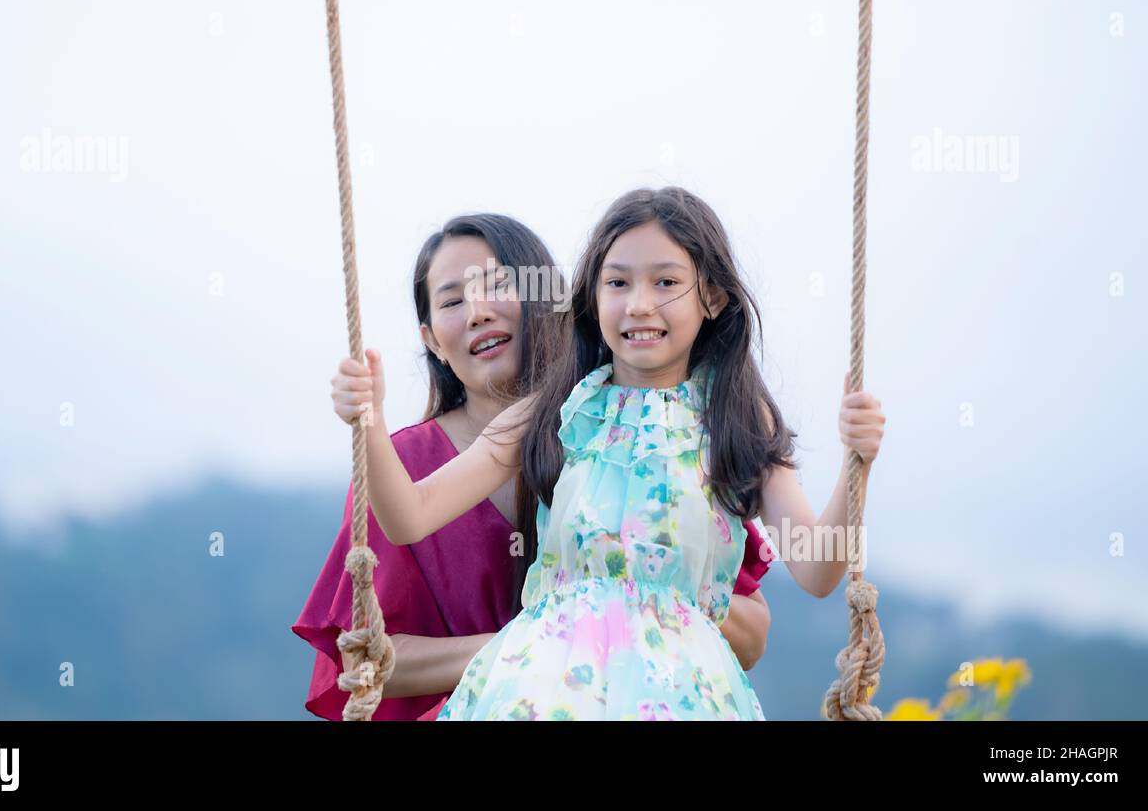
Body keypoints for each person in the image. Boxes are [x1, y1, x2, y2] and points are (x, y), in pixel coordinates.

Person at [333, 187, 886, 720]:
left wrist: (854, 466)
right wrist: (372, 422)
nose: (639, 305)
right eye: (617, 282)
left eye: (666, 282)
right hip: (546, 688)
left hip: (683, 695)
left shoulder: (732, 418)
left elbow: (816, 569)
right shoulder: (556, 412)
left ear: (712, 297)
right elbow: (409, 516)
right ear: (593, 298)